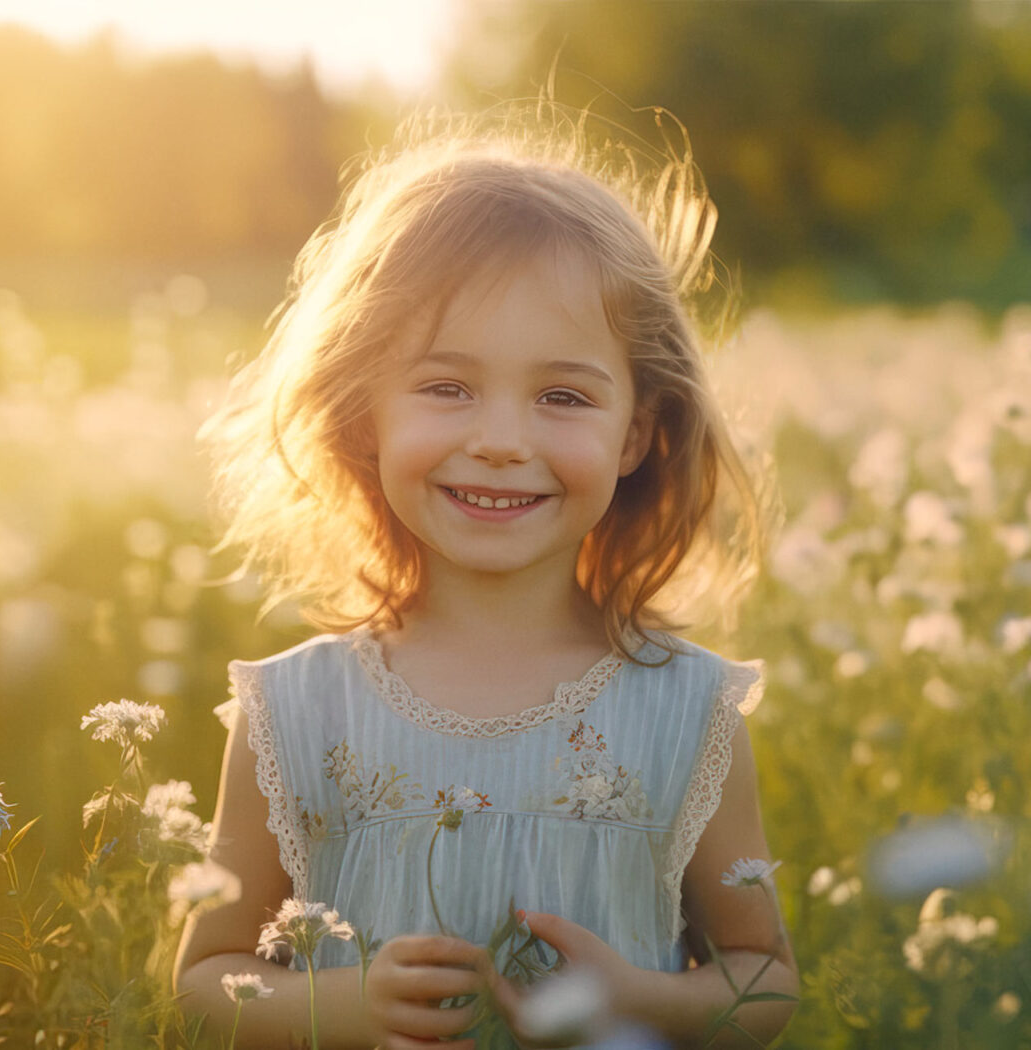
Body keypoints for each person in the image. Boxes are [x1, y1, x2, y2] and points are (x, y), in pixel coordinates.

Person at [173, 104, 795, 1049]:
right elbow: (204, 981)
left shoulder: (684, 711)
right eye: (447, 387)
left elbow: (766, 979)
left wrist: (636, 997)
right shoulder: (296, 711)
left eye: (562, 396)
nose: (501, 440)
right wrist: (348, 1007)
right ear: (366, 414)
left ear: (634, 435)